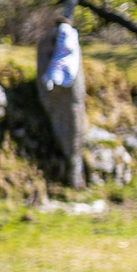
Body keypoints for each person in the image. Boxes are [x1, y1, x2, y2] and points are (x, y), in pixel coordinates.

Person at [35, 14, 89, 188]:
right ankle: (73, 175)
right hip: (63, 87)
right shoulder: (60, 36)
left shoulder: (59, 36)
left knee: (73, 130)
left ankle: (74, 174)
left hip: (64, 86)